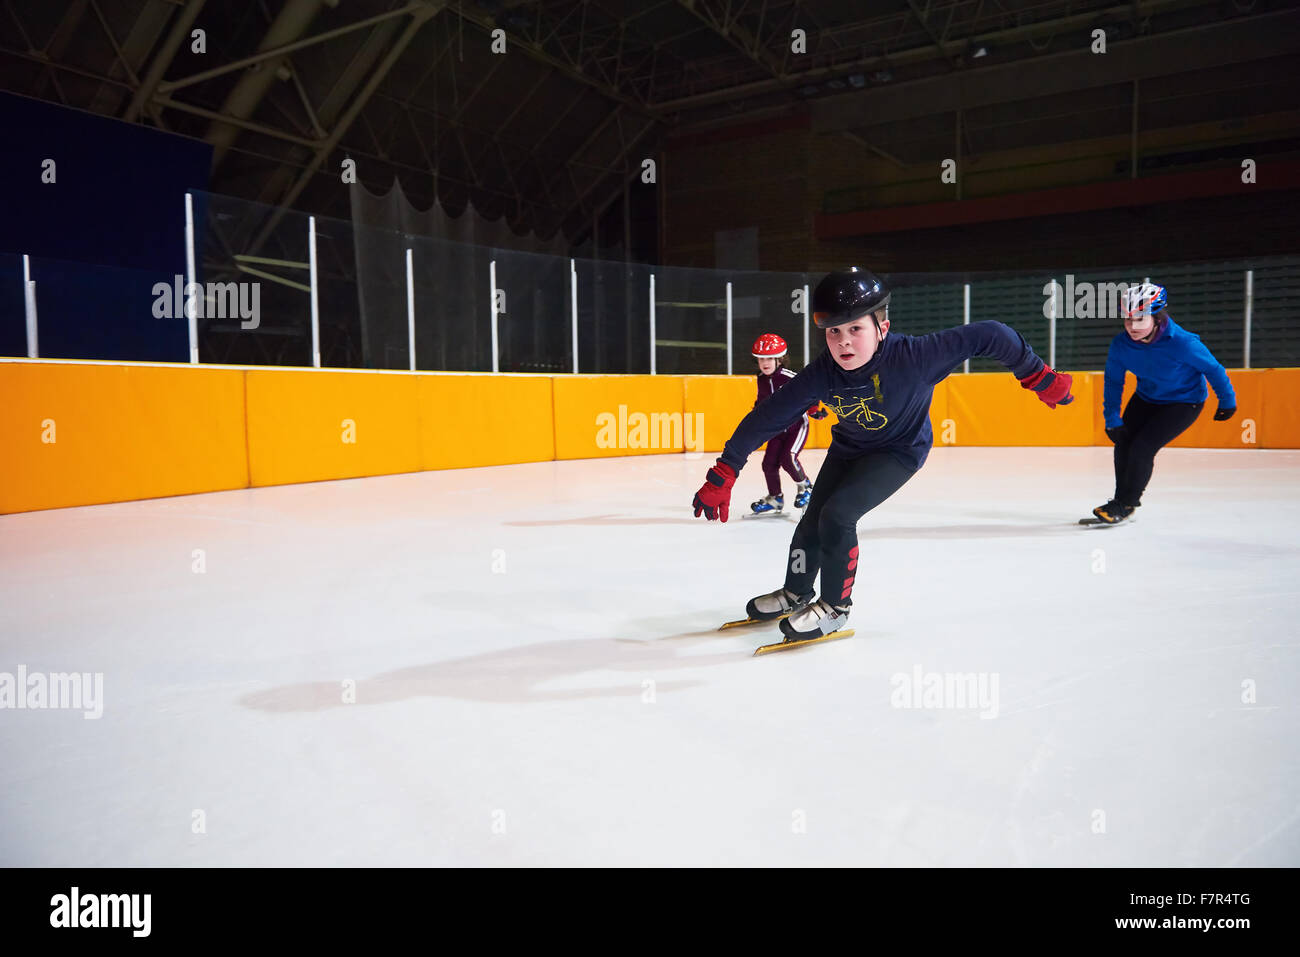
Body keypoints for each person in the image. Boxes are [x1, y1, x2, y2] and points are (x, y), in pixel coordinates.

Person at [691, 267, 1074, 643]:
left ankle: (835, 608)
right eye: (834, 331)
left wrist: (1038, 376)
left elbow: (992, 334)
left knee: (838, 515)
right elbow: (766, 418)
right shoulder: (821, 374)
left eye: (856, 329)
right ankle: (796, 592)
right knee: (812, 521)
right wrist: (724, 471)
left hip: (899, 452)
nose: (843, 342)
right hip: (848, 448)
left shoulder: (916, 357)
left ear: (882, 329)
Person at [1092, 282, 1237, 524]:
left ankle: (1126, 503)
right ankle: (1120, 501)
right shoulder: (1121, 345)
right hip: (1146, 397)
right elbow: (1113, 382)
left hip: (1183, 402)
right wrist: (1112, 418)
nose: (1132, 327)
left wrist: (1227, 401)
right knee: (1123, 444)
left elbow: (1213, 369)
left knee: (1142, 448)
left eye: (1139, 319)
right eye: (1127, 320)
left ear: (1157, 318)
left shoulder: (1183, 343)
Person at [748, 332, 827, 514]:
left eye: (769, 358)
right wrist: (755, 417)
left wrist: (814, 409)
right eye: (761, 359)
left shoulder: (788, 376)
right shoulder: (761, 379)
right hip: (776, 429)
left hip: (796, 426)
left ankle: (806, 487)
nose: (765, 363)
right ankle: (775, 498)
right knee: (768, 464)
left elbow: (811, 389)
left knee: (788, 458)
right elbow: (762, 400)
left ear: (780, 359)